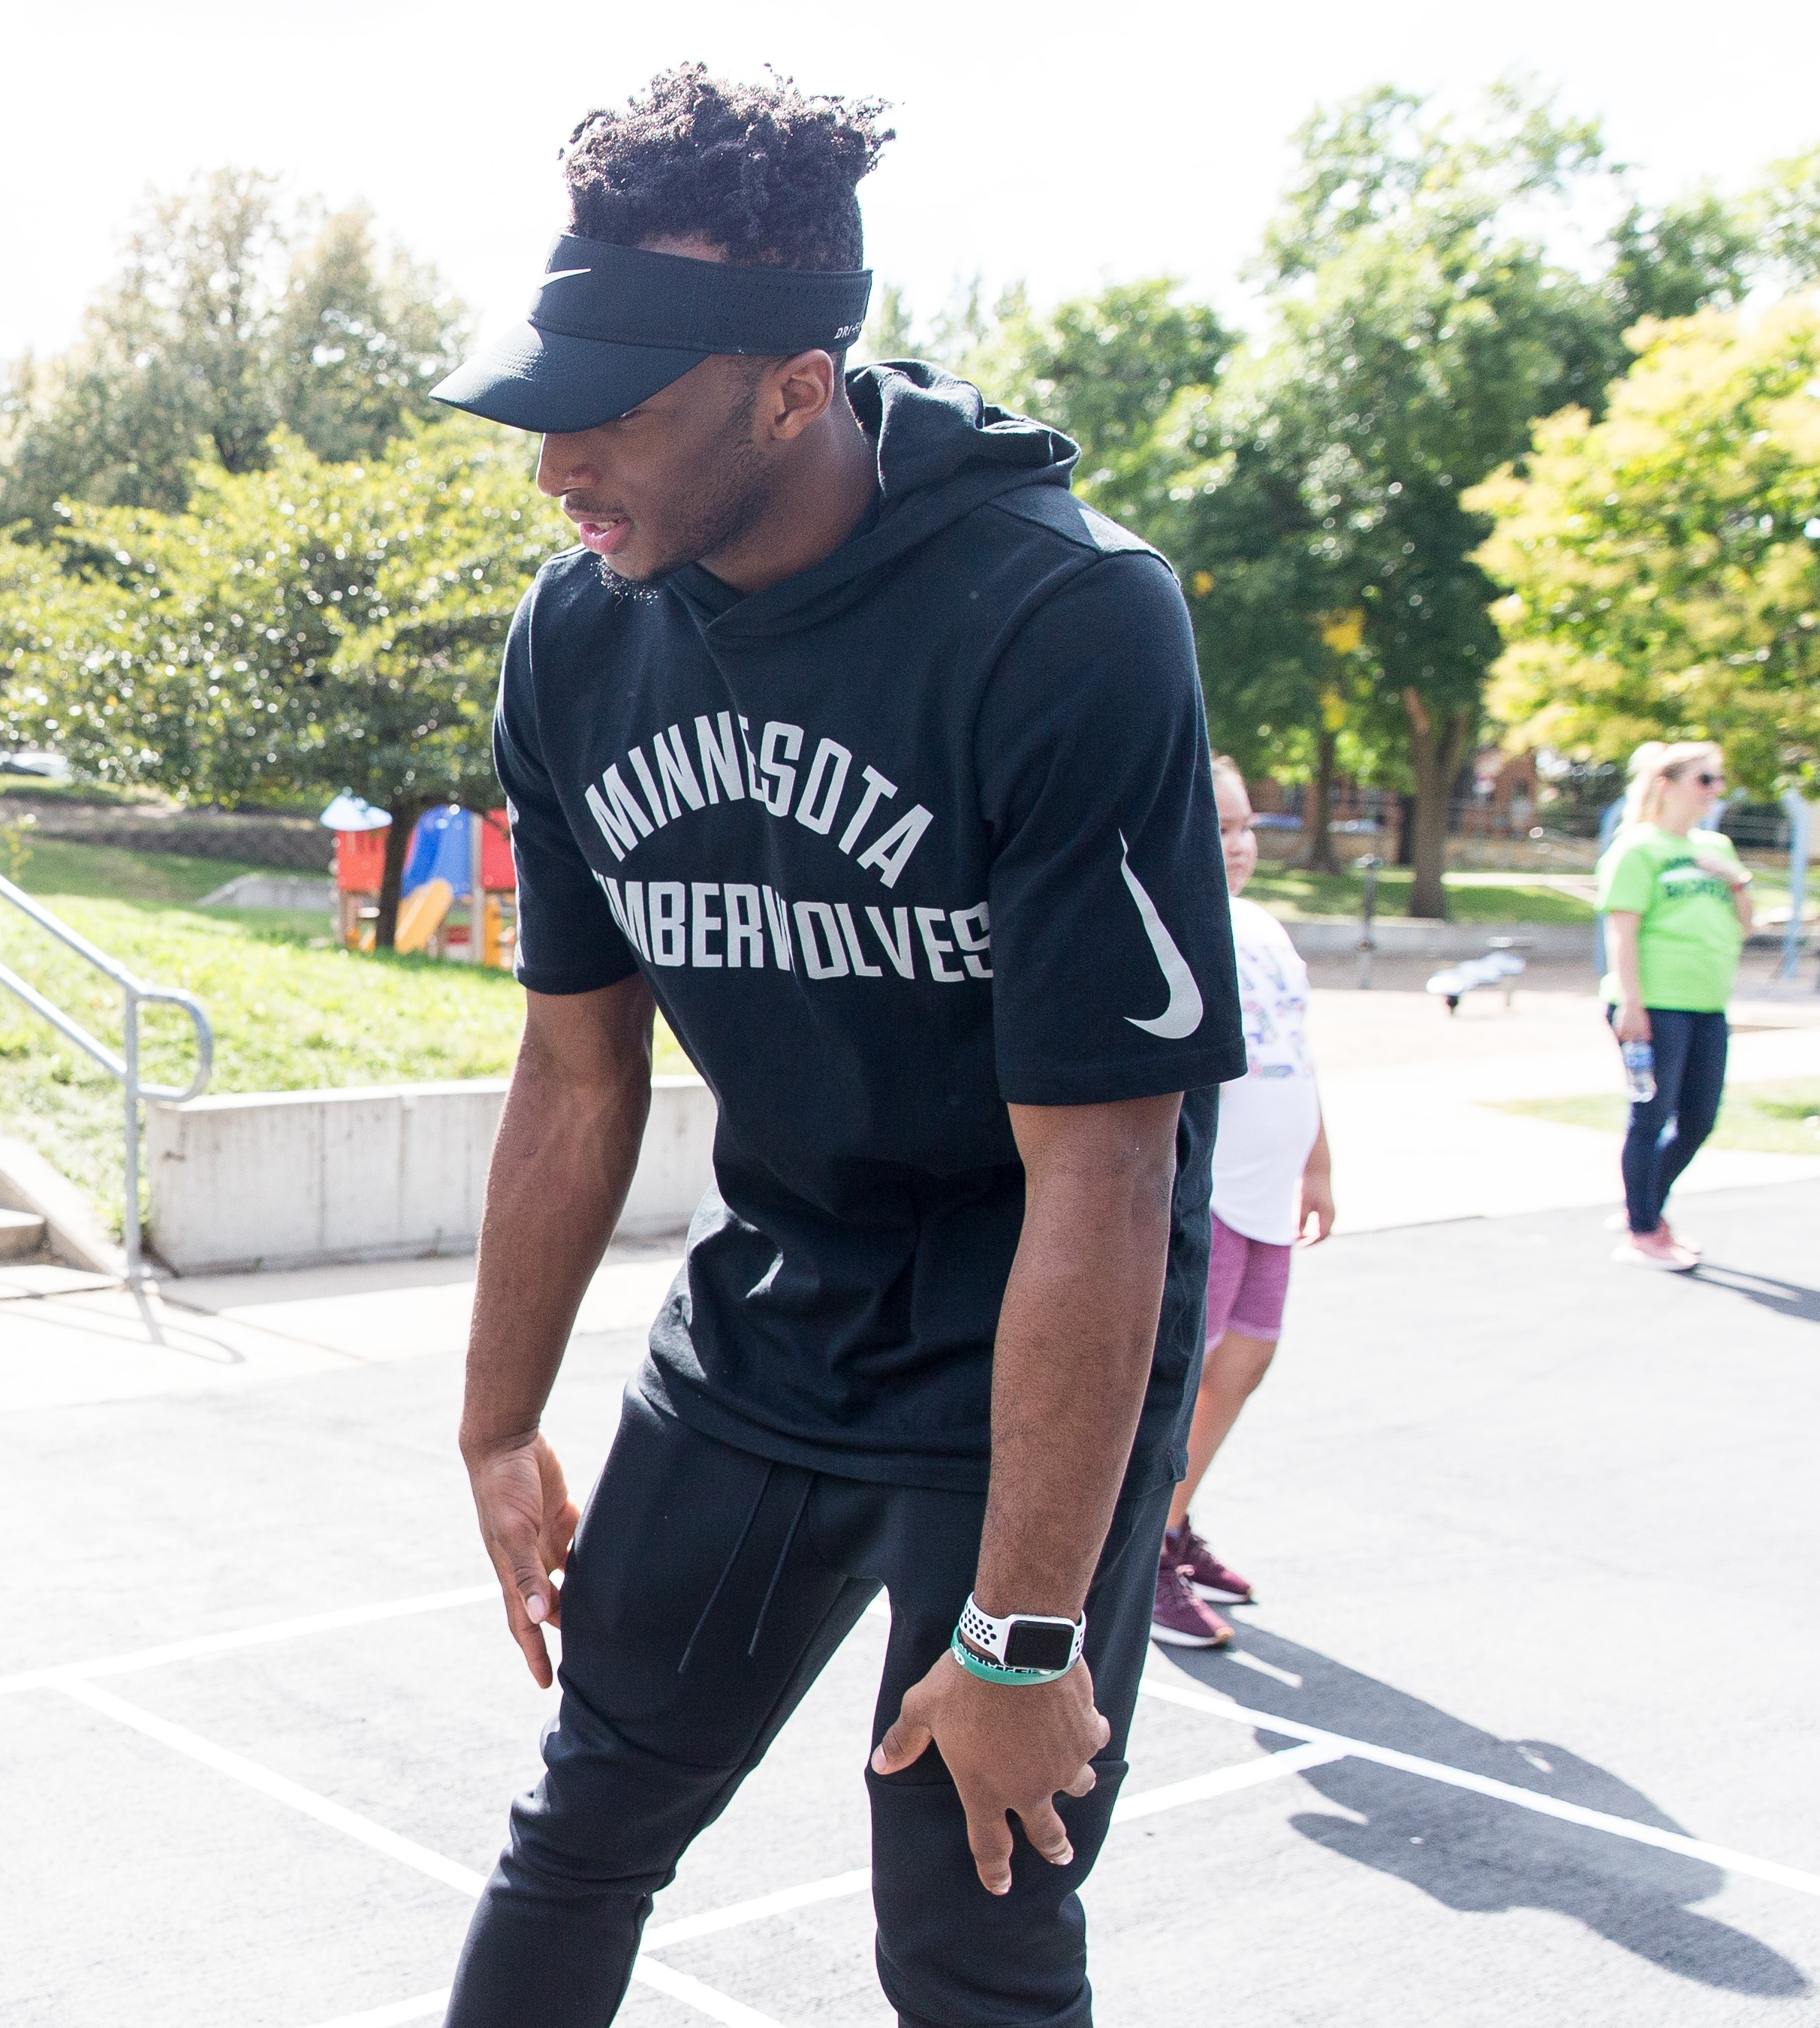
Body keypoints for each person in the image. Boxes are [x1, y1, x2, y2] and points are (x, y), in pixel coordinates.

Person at [426, 68, 1242, 2028]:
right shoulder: (576, 637)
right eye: (548, 397)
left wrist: (1029, 1624)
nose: (558, 460)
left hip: (1028, 1329)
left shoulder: (1062, 620)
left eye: (612, 405)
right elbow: (574, 1071)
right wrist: (492, 1415)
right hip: (774, 1309)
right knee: (588, 1818)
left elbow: (1106, 1166)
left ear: (791, 386)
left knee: (973, 1911)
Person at [1152, 757, 1335, 1650]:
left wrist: (1319, 1166)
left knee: (1247, 1361)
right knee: (1188, 1371)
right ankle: (1138, 1549)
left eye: (1244, 827)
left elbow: (1299, 1055)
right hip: (1212, 1195)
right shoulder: (1176, 925)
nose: (1234, 846)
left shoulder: (1263, 927)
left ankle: (1176, 1524)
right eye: (1216, 828)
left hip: (1271, 1193)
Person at [1599, 739, 1755, 1270]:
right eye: (1704, 779)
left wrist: (1734, 878)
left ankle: (1642, 1208)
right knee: (1650, 1115)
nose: (1714, 790)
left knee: (1699, 1119)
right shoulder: (1637, 848)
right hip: (1654, 1005)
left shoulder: (1717, 848)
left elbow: (1744, 923)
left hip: (1706, 1004)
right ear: (1666, 784)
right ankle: (1642, 1230)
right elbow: (1620, 931)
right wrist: (1631, 1004)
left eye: (1717, 780)